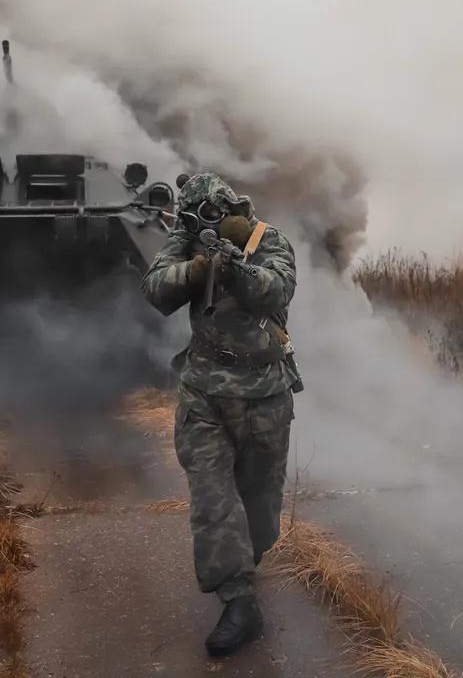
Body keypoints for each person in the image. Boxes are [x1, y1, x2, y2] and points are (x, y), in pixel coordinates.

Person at [141, 172, 301, 657]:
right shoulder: (187, 239)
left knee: (259, 513)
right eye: (198, 215)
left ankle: (244, 561)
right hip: (203, 393)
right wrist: (198, 266)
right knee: (214, 500)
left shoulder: (266, 238)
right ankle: (237, 600)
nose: (207, 220)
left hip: (265, 395)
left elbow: (277, 292)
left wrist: (234, 267)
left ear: (232, 205)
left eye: (215, 211)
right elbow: (155, 289)